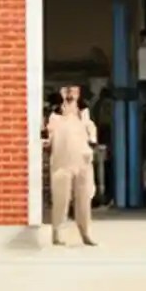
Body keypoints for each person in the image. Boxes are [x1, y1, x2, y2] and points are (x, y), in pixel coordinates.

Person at [47, 84, 98, 246]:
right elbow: (47, 137)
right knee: (61, 199)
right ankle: (57, 233)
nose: (70, 94)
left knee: (84, 200)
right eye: (66, 91)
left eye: (73, 91)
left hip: (82, 162)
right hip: (62, 163)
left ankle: (85, 232)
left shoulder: (84, 115)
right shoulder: (54, 116)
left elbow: (93, 136)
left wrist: (91, 146)